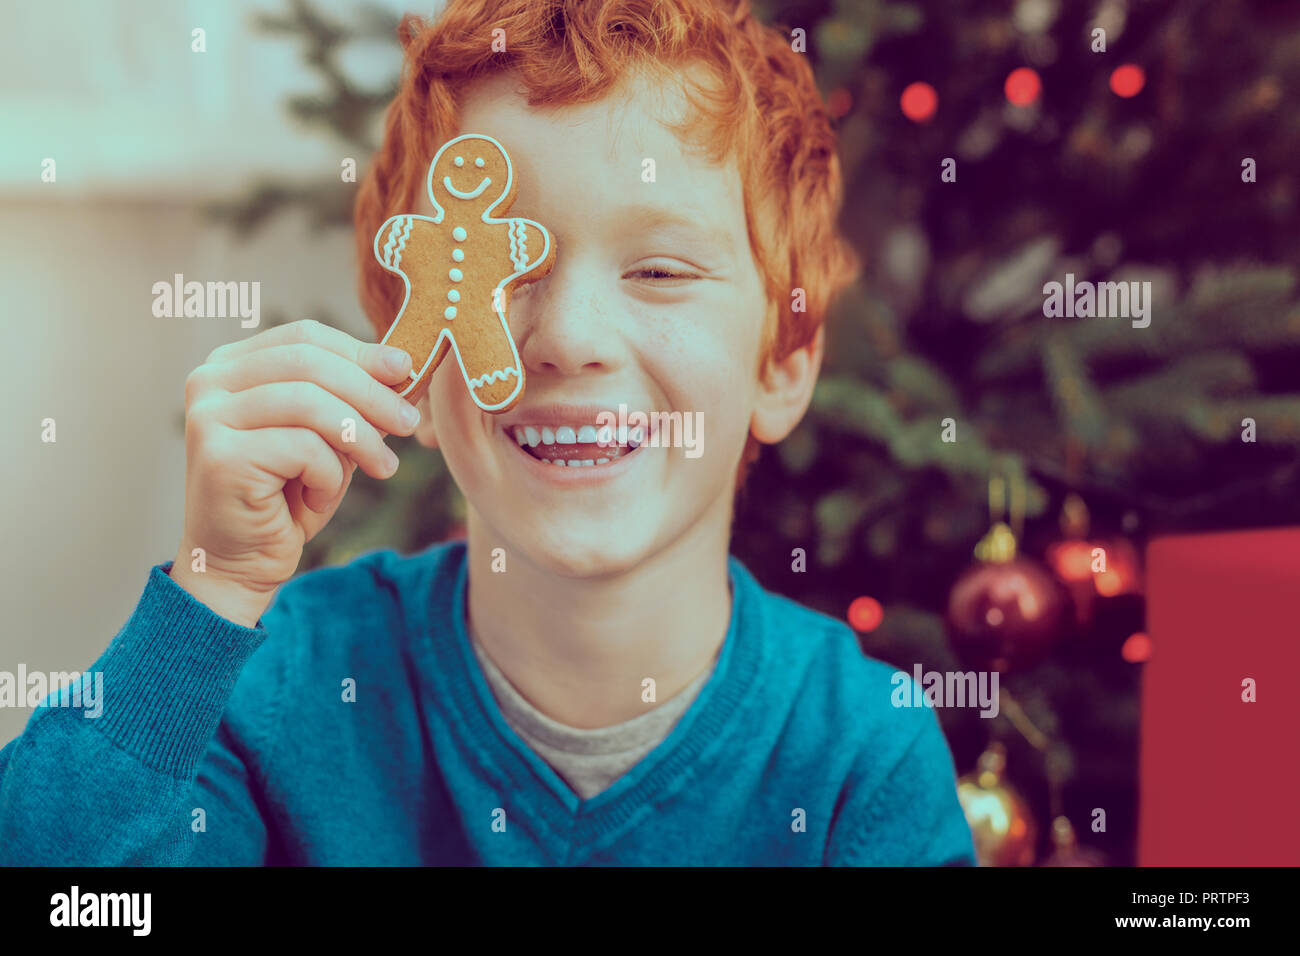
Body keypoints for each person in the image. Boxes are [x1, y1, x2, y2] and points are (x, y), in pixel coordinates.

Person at [0, 0, 974, 866]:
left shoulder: (858, 756)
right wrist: (211, 590)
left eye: (662, 271)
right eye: (503, 273)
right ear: (408, 365)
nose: (568, 338)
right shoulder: (283, 683)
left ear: (782, 364)